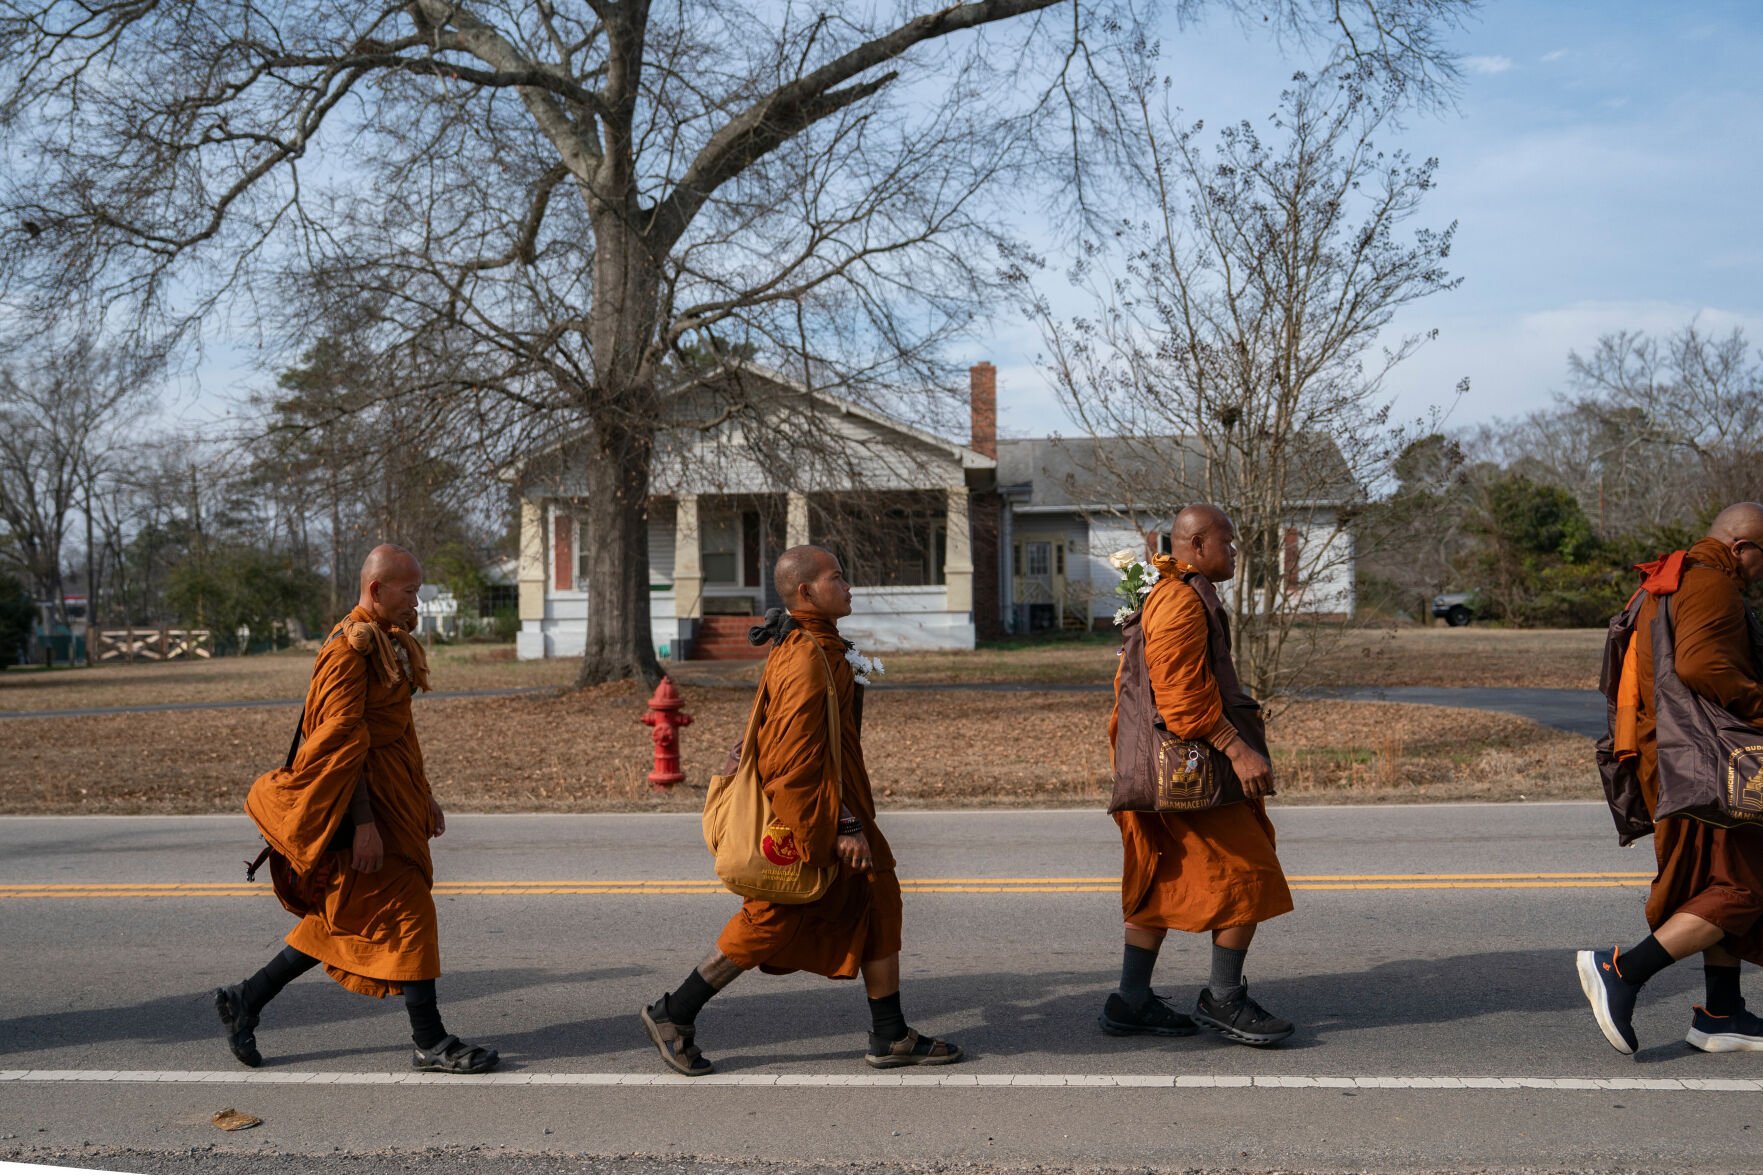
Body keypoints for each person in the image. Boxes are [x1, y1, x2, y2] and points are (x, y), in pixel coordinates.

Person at [639, 544, 961, 1076]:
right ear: (807, 591)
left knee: (878, 899)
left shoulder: (817, 645)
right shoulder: (807, 656)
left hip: (840, 805)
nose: (849, 586)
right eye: (838, 577)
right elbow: (792, 761)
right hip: (814, 815)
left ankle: (890, 1034)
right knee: (772, 917)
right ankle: (674, 1013)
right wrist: (841, 826)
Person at [215, 544, 498, 1074]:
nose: (416, 602)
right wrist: (363, 824)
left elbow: (399, 729)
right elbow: (339, 746)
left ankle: (246, 998)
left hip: (396, 797)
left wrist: (424, 792)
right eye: (409, 591)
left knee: (345, 915)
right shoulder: (349, 651)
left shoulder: (388, 642)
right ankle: (429, 1041)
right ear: (375, 589)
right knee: (411, 912)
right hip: (362, 808)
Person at [1102, 504, 1296, 1046]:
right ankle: (1224, 999)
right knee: (1250, 871)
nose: (1234, 552)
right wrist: (1238, 750)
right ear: (1197, 545)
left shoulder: (1174, 593)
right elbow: (1182, 700)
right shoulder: (1181, 602)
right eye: (1227, 542)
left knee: (1160, 873)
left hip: (1153, 767)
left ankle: (1131, 1000)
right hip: (1188, 768)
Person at [1578, 502, 1763, 1055]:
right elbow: (1702, 666)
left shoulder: (1674, 579)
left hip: (1677, 759)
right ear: (1740, 547)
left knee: (1715, 884)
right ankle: (1622, 971)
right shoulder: (1711, 583)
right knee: (1744, 888)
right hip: (1706, 763)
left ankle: (1722, 1013)